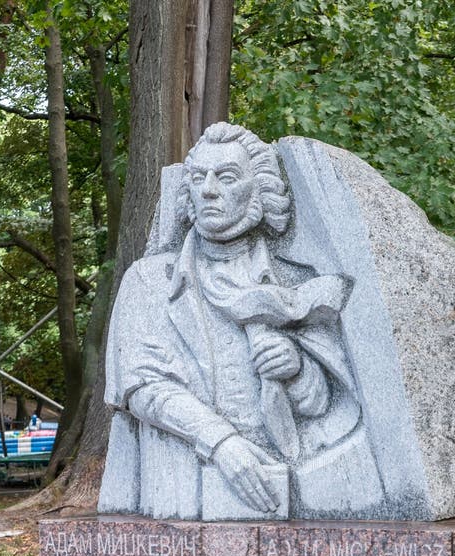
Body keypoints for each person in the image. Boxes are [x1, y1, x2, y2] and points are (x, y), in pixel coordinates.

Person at [100, 123, 379, 519]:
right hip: (181, 492)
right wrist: (222, 443)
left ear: (260, 191)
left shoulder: (295, 282)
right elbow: (141, 385)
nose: (209, 190)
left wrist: (297, 370)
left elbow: (323, 407)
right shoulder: (150, 280)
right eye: (199, 178)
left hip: (288, 483)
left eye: (226, 177)